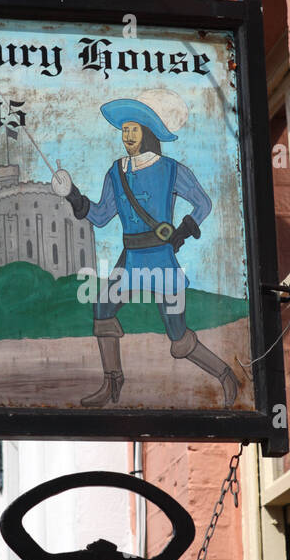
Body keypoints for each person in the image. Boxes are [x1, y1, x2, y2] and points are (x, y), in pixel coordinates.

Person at [54, 88, 239, 408]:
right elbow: (99, 216)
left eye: (133, 129)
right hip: (130, 260)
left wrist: (181, 232)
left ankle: (224, 374)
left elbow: (203, 203)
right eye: (124, 130)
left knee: (178, 334)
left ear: (147, 132)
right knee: (102, 307)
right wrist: (71, 193)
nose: (126, 135)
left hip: (161, 258)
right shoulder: (116, 172)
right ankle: (113, 381)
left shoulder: (170, 170)